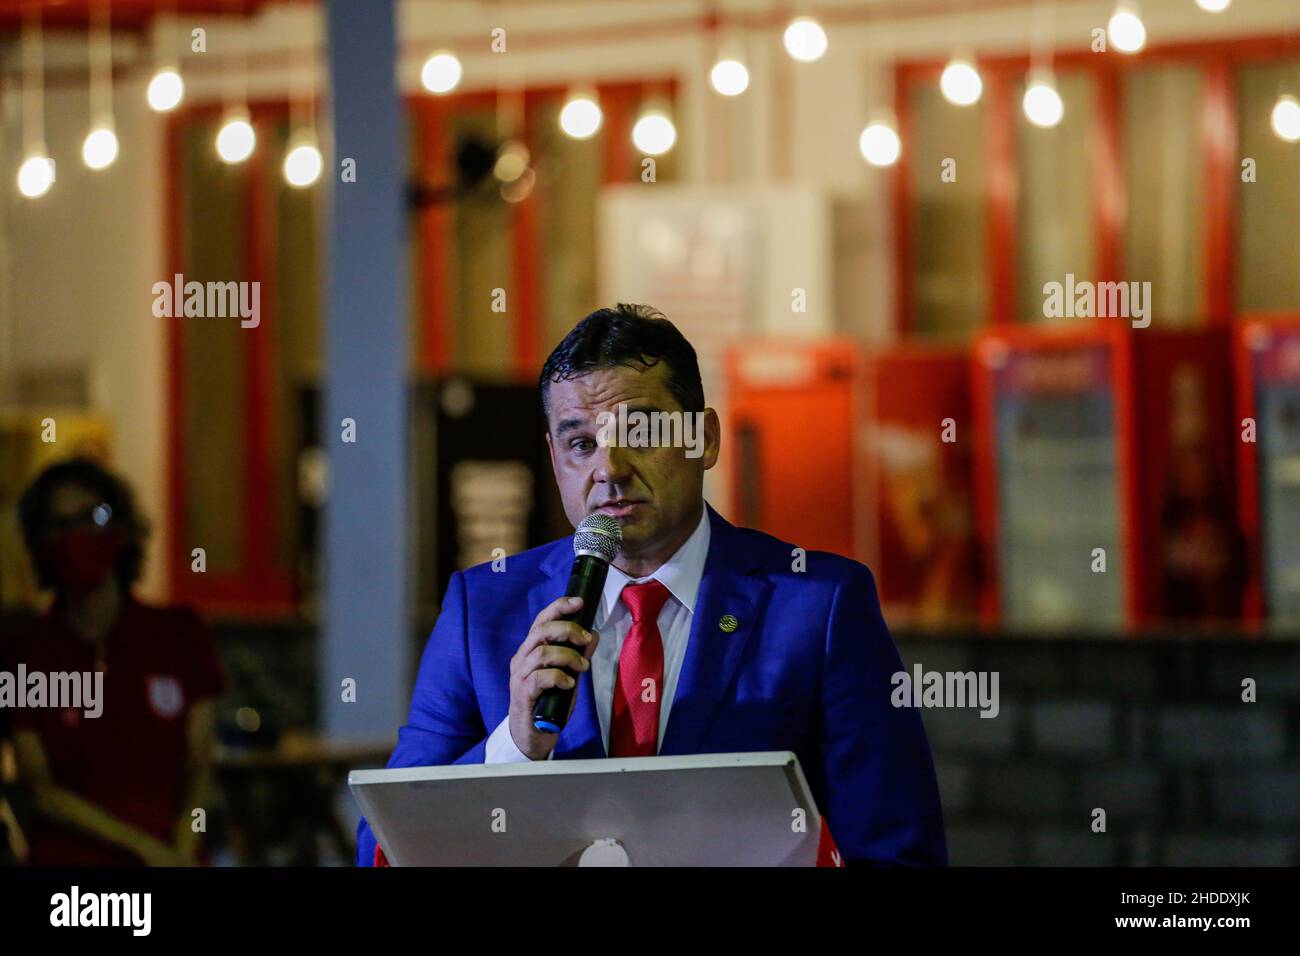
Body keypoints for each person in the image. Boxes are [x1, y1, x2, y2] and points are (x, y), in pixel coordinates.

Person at [355, 304, 947, 866]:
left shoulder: (819, 606)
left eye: (639, 432)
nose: (608, 468)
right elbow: (380, 845)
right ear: (554, 457)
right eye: (580, 443)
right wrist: (513, 746)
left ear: (705, 439)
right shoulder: (482, 609)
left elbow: (897, 850)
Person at [9, 458, 224, 866]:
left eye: (92, 517)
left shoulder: (179, 635)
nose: (78, 535)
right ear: (39, 543)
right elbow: (42, 790)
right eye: (60, 524)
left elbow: (199, 767)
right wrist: (145, 851)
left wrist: (180, 847)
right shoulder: (27, 655)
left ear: (122, 530)